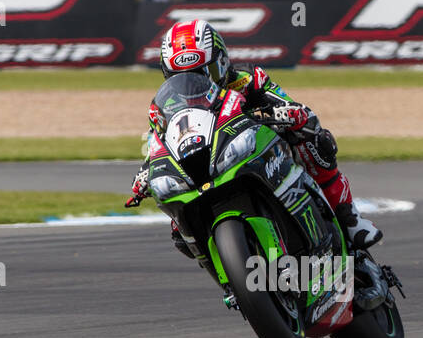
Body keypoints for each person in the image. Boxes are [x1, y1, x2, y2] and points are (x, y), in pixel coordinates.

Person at [128, 19, 383, 254]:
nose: (194, 82)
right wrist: (145, 172)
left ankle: (350, 219)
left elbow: (289, 104)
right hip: (210, 161)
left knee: (315, 139)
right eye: (181, 76)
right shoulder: (167, 104)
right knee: (177, 227)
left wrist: (289, 113)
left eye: (202, 72)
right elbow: (159, 142)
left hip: (261, 149)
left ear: (221, 62)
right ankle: (230, 279)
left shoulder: (247, 79)